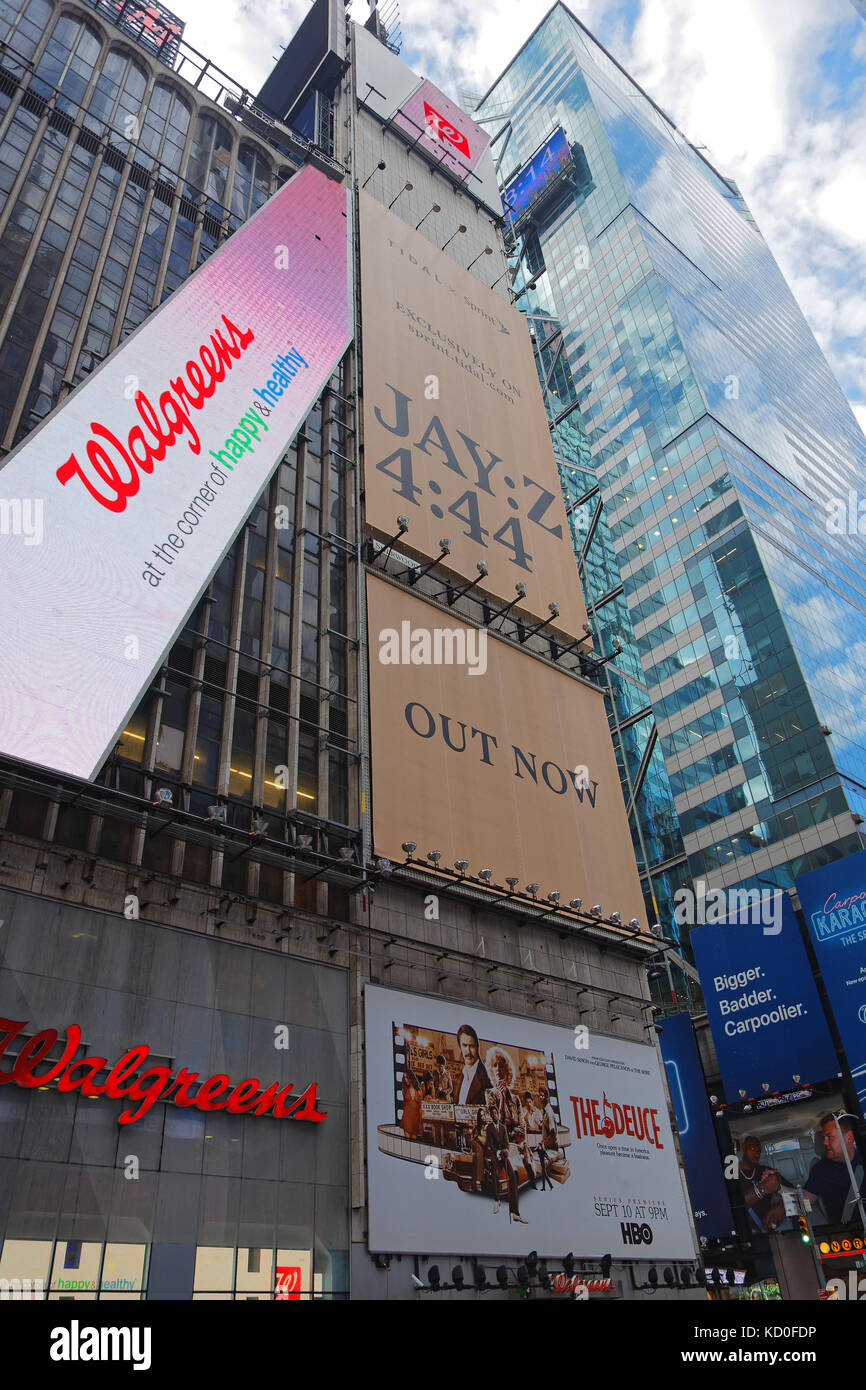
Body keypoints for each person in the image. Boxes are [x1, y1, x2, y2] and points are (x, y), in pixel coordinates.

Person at [803, 1115, 866, 1226]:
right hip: (846, 1234)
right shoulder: (820, 1170)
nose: (825, 1143)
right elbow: (805, 1199)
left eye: (830, 1137)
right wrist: (779, 1188)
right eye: (824, 1138)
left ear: (849, 1138)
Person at [484, 1091, 527, 1224]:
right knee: (496, 1176)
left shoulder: (502, 1128)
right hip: (495, 1155)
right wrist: (497, 1153)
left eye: (495, 1113)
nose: (494, 1115)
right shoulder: (489, 1128)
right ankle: (497, 1200)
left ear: (498, 1114)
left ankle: (515, 1212)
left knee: (513, 1177)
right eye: (492, 1114)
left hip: (504, 1154)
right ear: (491, 1116)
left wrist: (506, 1150)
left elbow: (507, 1143)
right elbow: (490, 1144)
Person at [737, 1135, 792, 1233]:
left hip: (772, 1225)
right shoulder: (731, 1174)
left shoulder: (766, 1171)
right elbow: (732, 1207)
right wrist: (763, 1188)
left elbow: (797, 1193)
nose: (757, 1154)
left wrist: (783, 1206)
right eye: (753, 1148)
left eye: (759, 1151)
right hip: (746, 1230)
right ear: (743, 1147)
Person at [455, 1023, 492, 1107]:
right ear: (460, 1046)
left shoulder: (488, 1078)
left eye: (471, 1046)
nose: (468, 1051)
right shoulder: (459, 1078)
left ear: (477, 1047)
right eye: (464, 1045)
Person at [400, 1070, 423, 1139]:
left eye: (407, 1077)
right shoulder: (405, 1090)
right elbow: (404, 1104)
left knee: (413, 1143)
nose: (406, 1079)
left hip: (416, 1118)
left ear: (411, 1078)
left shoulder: (419, 1090)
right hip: (407, 1117)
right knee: (407, 1142)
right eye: (404, 1078)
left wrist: (420, 1123)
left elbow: (420, 1107)